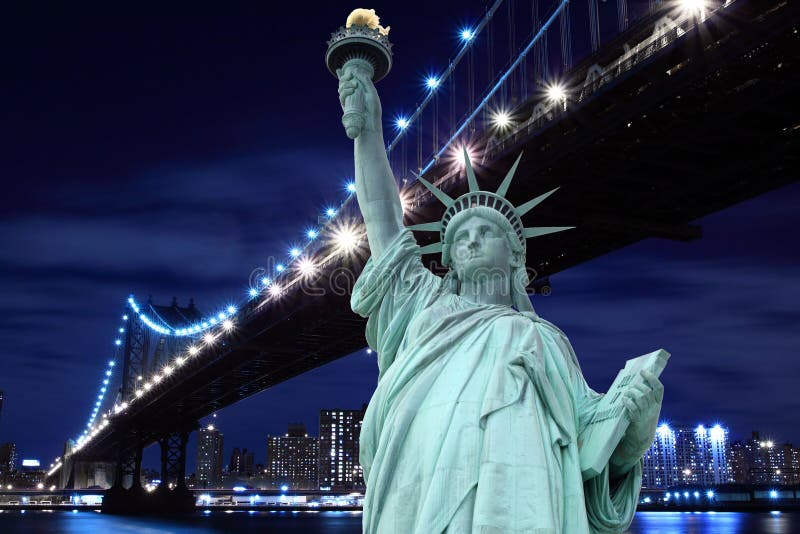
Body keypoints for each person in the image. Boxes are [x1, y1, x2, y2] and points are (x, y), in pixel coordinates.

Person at [338, 67, 664, 534]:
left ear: (514, 255)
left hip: (522, 510)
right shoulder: (424, 307)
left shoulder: (545, 340)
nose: (471, 242)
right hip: (420, 495)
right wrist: (368, 132)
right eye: (460, 237)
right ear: (448, 258)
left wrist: (634, 433)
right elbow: (383, 220)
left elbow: (589, 447)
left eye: (485, 232)